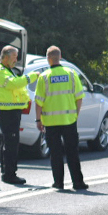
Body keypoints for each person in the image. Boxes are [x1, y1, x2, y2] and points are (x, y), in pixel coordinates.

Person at [34, 45, 88, 191]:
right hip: (69, 121)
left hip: (51, 122)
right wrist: (75, 114)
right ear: (60, 57)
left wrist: (38, 120)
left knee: (56, 154)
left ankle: (59, 183)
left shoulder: (44, 77)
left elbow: (39, 102)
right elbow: (79, 98)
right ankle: (78, 183)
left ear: (48, 59)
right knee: (72, 152)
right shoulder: (71, 74)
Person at [0, 45, 35, 185]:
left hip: (11, 111)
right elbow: (14, 84)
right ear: (6, 56)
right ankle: (10, 174)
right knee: (11, 143)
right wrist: (31, 77)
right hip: (7, 112)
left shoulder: (7, 70)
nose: (16, 59)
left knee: (8, 142)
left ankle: (7, 172)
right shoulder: (0, 71)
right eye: (15, 56)